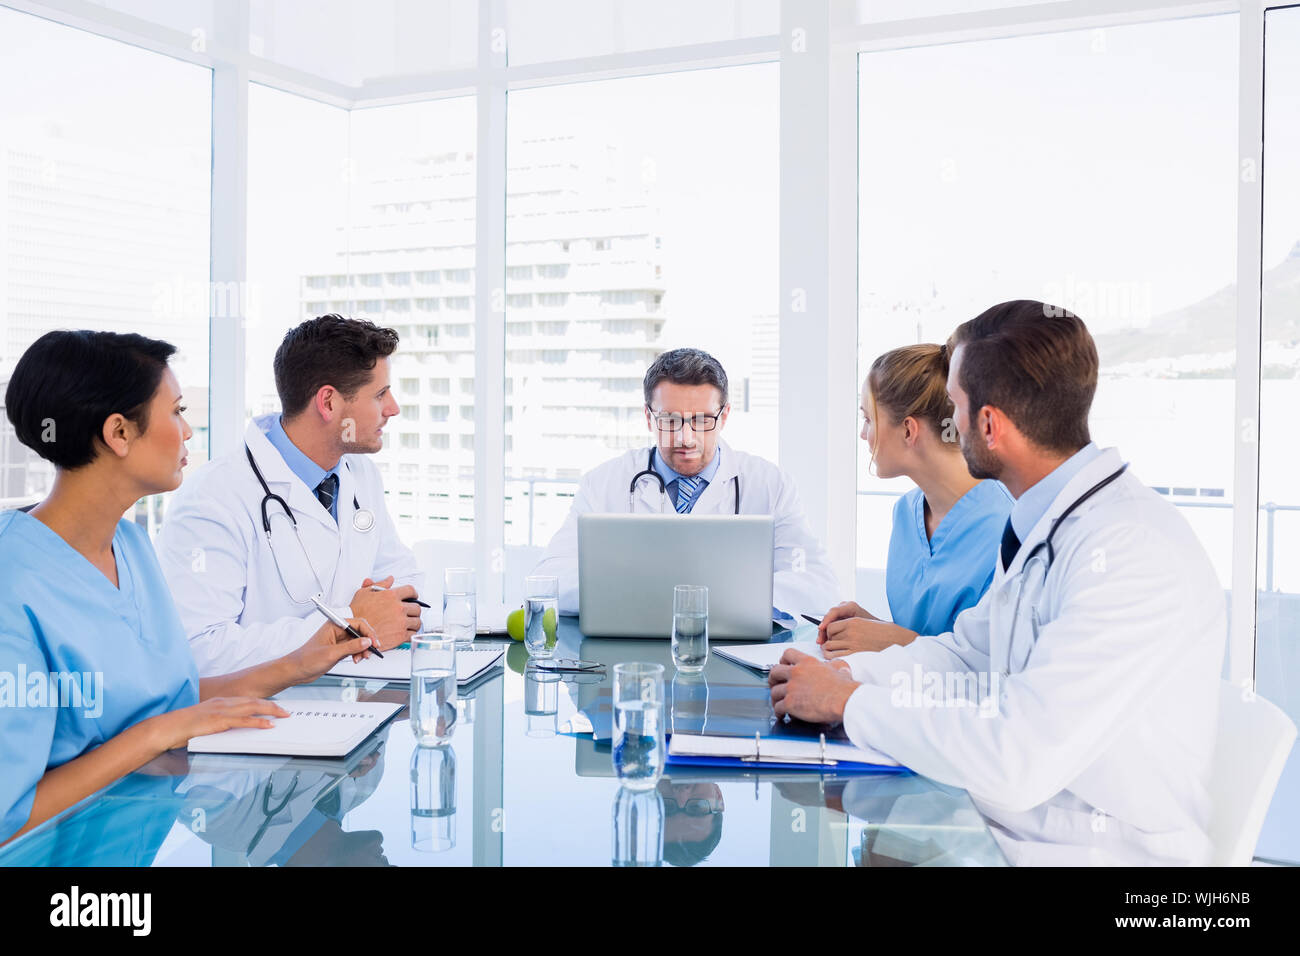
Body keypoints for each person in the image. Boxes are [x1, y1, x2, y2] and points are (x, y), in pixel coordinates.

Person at [769, 301, 1226, 866]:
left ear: (989, 424)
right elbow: (965, 656)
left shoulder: (1129, 551)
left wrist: (850, 702)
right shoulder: (1044, 519)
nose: (949, 423)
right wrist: (846, 673)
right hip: (1009, 832)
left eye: (955, 407)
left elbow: (1018, 757)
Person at [0, 331, 378, 845]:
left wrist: (299, 663)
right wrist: (159, 733)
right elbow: (9, 818)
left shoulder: (132, 547)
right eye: (176, 412)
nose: (188, 431)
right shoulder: (14, 582)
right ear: (118, 433)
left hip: (136, 842)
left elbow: (173, 705)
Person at [156, 314, 425, 676]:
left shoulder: (359, 472)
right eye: (379, 394)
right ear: (328, 403)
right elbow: (200, 649)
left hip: (361, 697)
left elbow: (402, 576)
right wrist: (350, 623)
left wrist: (382, 613)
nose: (393, 408)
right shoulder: (212, 499)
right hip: (267, 715)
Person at [532, 347, 839, 621]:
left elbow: (816, 583)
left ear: (724, 416)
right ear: (649, 418)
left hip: (733, 657)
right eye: (670, 420)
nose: (685, 438)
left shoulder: (770, 485)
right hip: (628, 656)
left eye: (703, 420)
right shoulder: (603, 483)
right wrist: (643, 591)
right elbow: (549, 579)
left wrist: (718, 601)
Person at [817, 344, 1011, 657]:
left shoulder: (1008, 527)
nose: (864, 434)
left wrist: (893, 641)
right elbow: (923, 638)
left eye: (868, 419)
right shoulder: (906, 513)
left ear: (908, 431)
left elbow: (995, 665)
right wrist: (872, 629)